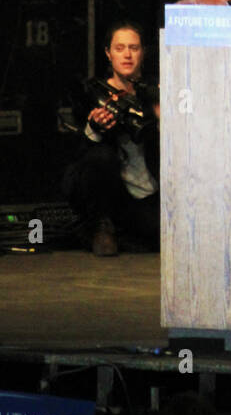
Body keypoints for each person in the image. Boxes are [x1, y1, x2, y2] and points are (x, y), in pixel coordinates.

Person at [62, 21, 159, 257]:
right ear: (108, 53)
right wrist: (94, 128)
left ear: (143, 52)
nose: (127, 55)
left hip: (147, 191)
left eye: (134, 48)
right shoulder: (91, 93)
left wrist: (159, 118)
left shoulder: (156, 91)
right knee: (99, 156)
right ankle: (100, 227)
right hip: (113, 193)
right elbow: (76, 158)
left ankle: (124, 235)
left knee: (157, 236)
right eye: (120, 48)